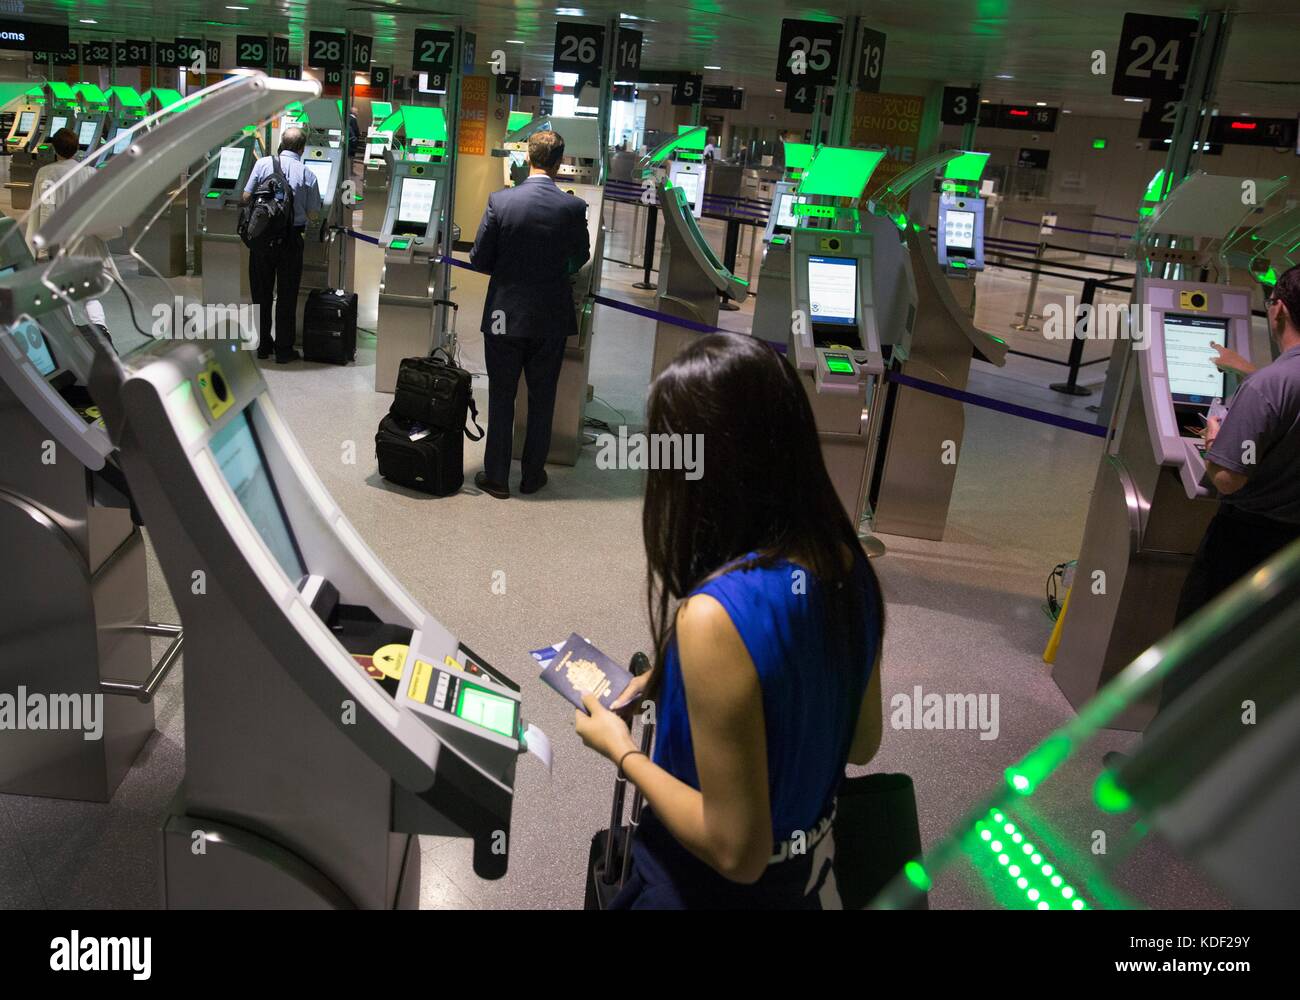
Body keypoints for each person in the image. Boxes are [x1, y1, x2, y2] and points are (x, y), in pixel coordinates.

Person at [574, 333, 885, 909]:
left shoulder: (712, 617)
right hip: (806, 883)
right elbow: (862, 741)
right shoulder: (849, 565)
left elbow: (737, 851)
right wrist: (670, 683)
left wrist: (622, 751)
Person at [1164, 265, 1300, 708]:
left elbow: (1227, 477)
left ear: (1277, 310)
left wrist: (1213, 440)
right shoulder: (1270, 382)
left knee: (1198, 649)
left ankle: (1164, 770)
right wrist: (1252, 374)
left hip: (1245, 542)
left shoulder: (1266, 388)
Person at [469, 130, 590, 499]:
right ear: (559, 162)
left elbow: (480, 258)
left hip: (504, 314)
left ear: (528, 158)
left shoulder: (500, 202)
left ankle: (497, 477)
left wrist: (511, 271)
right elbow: (579, 257)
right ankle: (533, 475)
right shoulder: (572, 207)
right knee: (542, 397)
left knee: (502, 396)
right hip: (550, 317)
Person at [241, 126, 323, 363]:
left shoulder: (263, 164)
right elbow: (314, 214)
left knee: (261, 293)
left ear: (281, 144)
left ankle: (263, 346)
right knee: (287, 295)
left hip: (262, 240)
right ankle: (284, 350)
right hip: (290, 240)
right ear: (301, 148)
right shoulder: (308, 173)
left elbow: (246, 197)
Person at [24, 127, 114, 338]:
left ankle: (72, 339)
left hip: (61, 247)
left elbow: (46, 213)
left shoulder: (47, 173)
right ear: (77, 148)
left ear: (55, 148)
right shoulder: (89, 172)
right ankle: (103, 334)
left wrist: (42, 251)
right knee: (91, 295)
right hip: (87, 245)